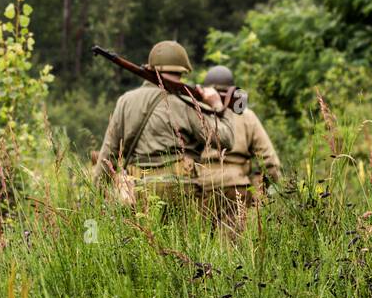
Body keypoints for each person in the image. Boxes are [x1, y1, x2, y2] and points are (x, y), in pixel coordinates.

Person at [92, 40, 232, 206]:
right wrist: (218, 105)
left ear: (150, 68)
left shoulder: (125, 101)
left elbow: (108, 153)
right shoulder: (188, 103)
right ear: (183, 71)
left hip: (137, 191)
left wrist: (96, 198)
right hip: (180, 189)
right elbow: (225, 139)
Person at [197, 64, 282, 232]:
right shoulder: (246, 115)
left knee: (199, 248)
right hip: (237, 187)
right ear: (233, 91)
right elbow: (271, 163)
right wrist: (258, 191)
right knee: (232, 250)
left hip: (202, 186)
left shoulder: (195, 111)